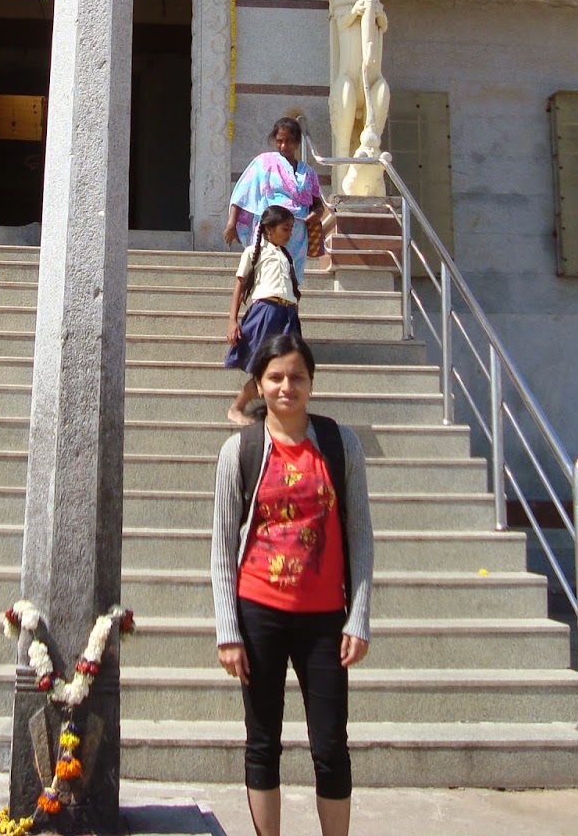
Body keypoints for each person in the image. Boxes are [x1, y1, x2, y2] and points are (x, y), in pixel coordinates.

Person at [212, 333, 373, 836]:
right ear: (258, 384)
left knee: (330, 745)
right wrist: (227, 629)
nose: (287, 387)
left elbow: (360, 534)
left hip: (325, 619)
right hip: (259, 611)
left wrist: (359, 614)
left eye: (297, 377)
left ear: (311, 382)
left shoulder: (340, 444)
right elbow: (221, 543)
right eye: (276, 377)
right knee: (263, 742)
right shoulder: (240, 450)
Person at [225, 206, 300, 426]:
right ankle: (236, 407)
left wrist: (295, 319)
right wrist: (232, 320)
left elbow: (292, 292)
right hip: (265, 312)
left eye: (291, 229)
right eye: (285, 229)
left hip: (287, 315)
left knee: (285, 365)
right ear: (268, 229)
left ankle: (274, 413)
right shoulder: (253, 252)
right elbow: (239, 286)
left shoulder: (287, 257)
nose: (289, 234)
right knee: (264, 365)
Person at [224, 117, 324, 280]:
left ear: (297, 142)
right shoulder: (264, 163)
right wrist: (231, 223)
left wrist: (317, 214)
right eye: (279, 141)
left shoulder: (308, 173)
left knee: (291, 281)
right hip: (269, 229)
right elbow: (242, 194)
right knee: (266, 276)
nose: (283, 146)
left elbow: (318, 204)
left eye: (289, 141)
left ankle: (290, 306)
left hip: (297, 233)